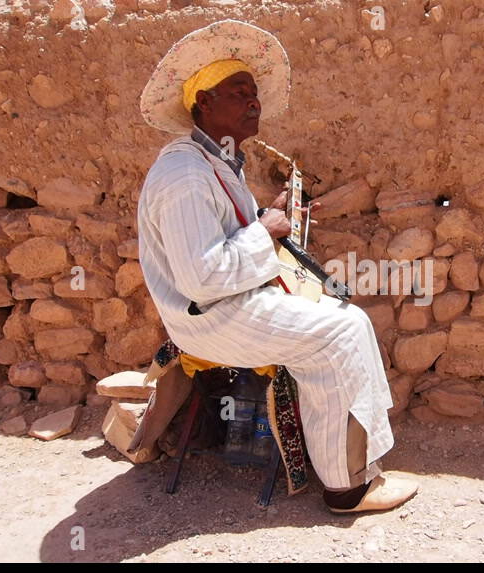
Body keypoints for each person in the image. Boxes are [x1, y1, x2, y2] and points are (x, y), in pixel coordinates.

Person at [137, 20, 418, 513]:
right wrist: (264, 232)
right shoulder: (184, 175)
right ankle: (347, 488)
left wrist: (272, 219)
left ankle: (354, 460)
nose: (254, 102)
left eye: (254, 93)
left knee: (347, 317)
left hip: (229, 306)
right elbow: (201, 277)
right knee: (342, 333)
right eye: (238, 92)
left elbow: (229, 239)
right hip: (209, 321)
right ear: (203, 102)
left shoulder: (216, 164)